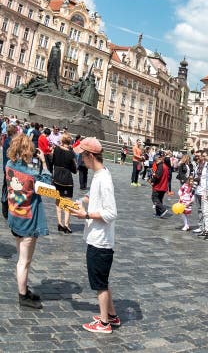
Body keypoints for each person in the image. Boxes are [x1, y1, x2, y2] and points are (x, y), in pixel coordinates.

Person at [69, 137, 118, 333]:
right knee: (102, 280)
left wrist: (85, 214)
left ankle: (104, 323)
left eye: (82, 155)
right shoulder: (99, 174)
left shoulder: (104, 179)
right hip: (97, 238)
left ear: (90, 155)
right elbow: (93, 196)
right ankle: (112, 316)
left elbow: (111, 213)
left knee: (100, 284)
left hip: (101, 240)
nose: (80, 159)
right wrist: (81, 201)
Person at [5, 134, 50, 309]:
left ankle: (24, 289)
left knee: (21, 259)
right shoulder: (32, 174)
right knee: (24, 261)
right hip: (28, 220)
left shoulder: (8, 165)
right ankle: (22, 296)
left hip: (14, 216)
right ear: (27, 151)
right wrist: (44, 163)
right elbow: (47, 186)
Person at [52, 133, 77, 234]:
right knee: (67, 201)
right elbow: (74, 170)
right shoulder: (71, 153)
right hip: (67, 179)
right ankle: (66, 224)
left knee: (58, 200)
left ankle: (59, 223)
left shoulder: (56, 149)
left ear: (62, 141)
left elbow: (53, 161)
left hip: (57, 177)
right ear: (70, 142)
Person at [149, 152, 170, 218]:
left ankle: (163, 210)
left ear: (159, 159)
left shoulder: (161, 166)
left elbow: (157, 176)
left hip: (159, 186)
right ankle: (159, 213)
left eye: (156, 161)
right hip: (163, 186)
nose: (155, 162)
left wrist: (152, 181)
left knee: (154, 198)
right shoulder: (165, 166)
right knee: (159, 199)